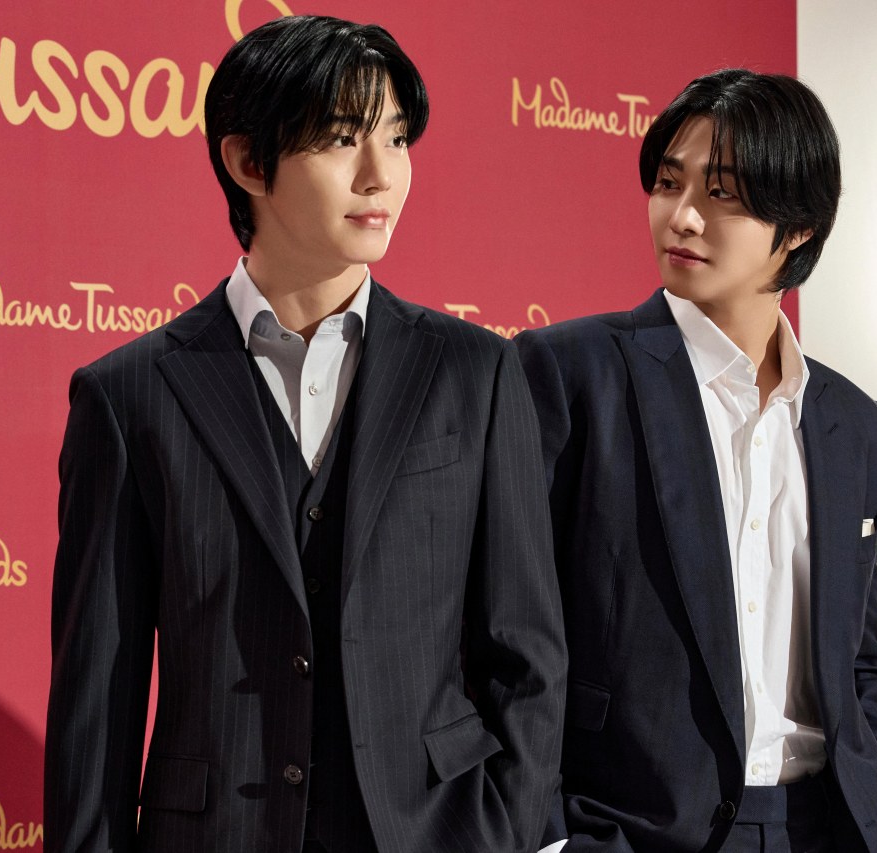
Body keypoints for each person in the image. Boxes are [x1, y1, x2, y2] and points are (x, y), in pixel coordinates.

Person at [44, 15, 566, 853]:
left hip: (436, 830)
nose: (380, 174)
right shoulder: (129, 395)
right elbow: (96, 692)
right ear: (248, 162)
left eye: (397, 139)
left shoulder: (477, 371)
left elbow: (525, 646)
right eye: (342, 139)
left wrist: (508, 827)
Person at [516, 69, 877, 853]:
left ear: (798, 227)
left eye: (722, 193)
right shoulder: (568, 373)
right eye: (668, 183)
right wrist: (552, 838)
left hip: (820, 828)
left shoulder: (857, 426)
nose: (682, 216)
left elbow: (858, 659)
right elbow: (510, 629)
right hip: (629, 828)